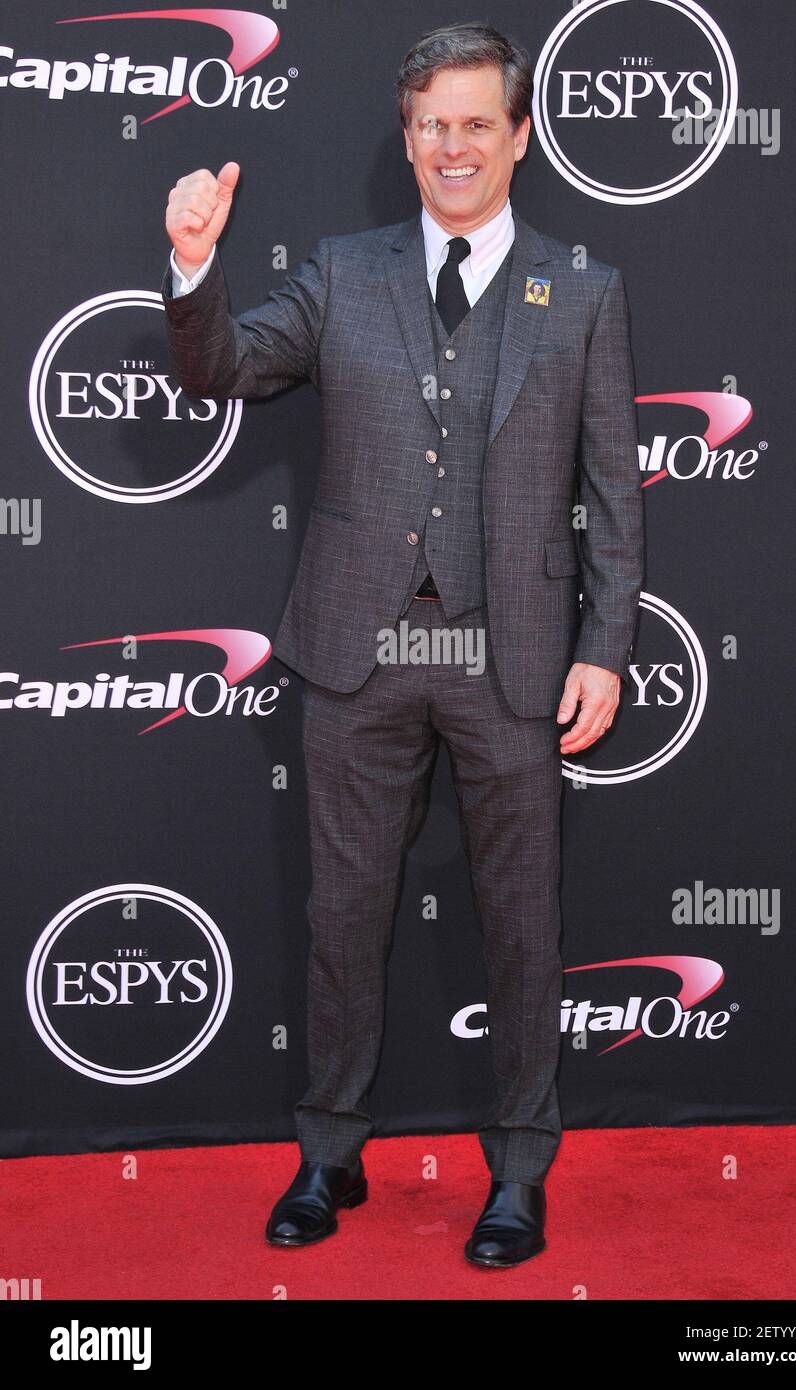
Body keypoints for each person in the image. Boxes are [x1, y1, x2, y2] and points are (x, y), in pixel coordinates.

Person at [161, 21, 644, 1269]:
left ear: (518, 137)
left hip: (516, 654)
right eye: (431, 122)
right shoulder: (339, 270)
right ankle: (328, 1154)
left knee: (523, 923)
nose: (452, 145)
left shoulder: (581, 291)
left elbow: (613, 491)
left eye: (476, 121)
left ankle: (518, 1173)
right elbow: (226, 368)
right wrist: (193, 269)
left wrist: (604, 639)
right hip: (355, 653)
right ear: (406, 133)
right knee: (342, 914)